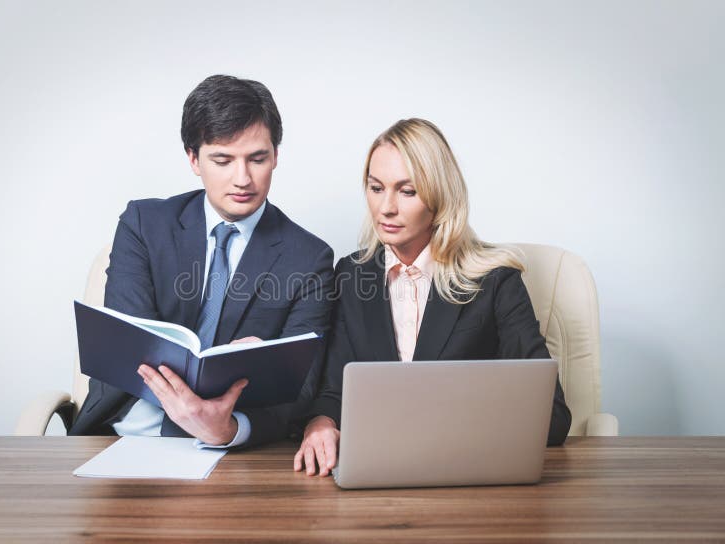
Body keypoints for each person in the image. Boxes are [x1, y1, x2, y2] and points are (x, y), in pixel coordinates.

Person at [294, 118, 572, 476]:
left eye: (407, 191)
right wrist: (319, 423)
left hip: (466, 474)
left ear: (441, 196)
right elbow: (334, 389)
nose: (386, 208)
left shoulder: (496, 282)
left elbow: (552, 416)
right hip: (379, 472)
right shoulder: (350, 275)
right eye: (376, 187)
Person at [69, 75, 335, 448]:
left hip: (231, 447)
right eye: (222, 160)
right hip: (121, 435)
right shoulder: (144, 225)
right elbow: (130, 347)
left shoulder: (310, 258)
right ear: (194, 159)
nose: (242, 179)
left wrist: (227, 430)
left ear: (275, 155)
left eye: (257, 159)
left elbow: (301, 389)